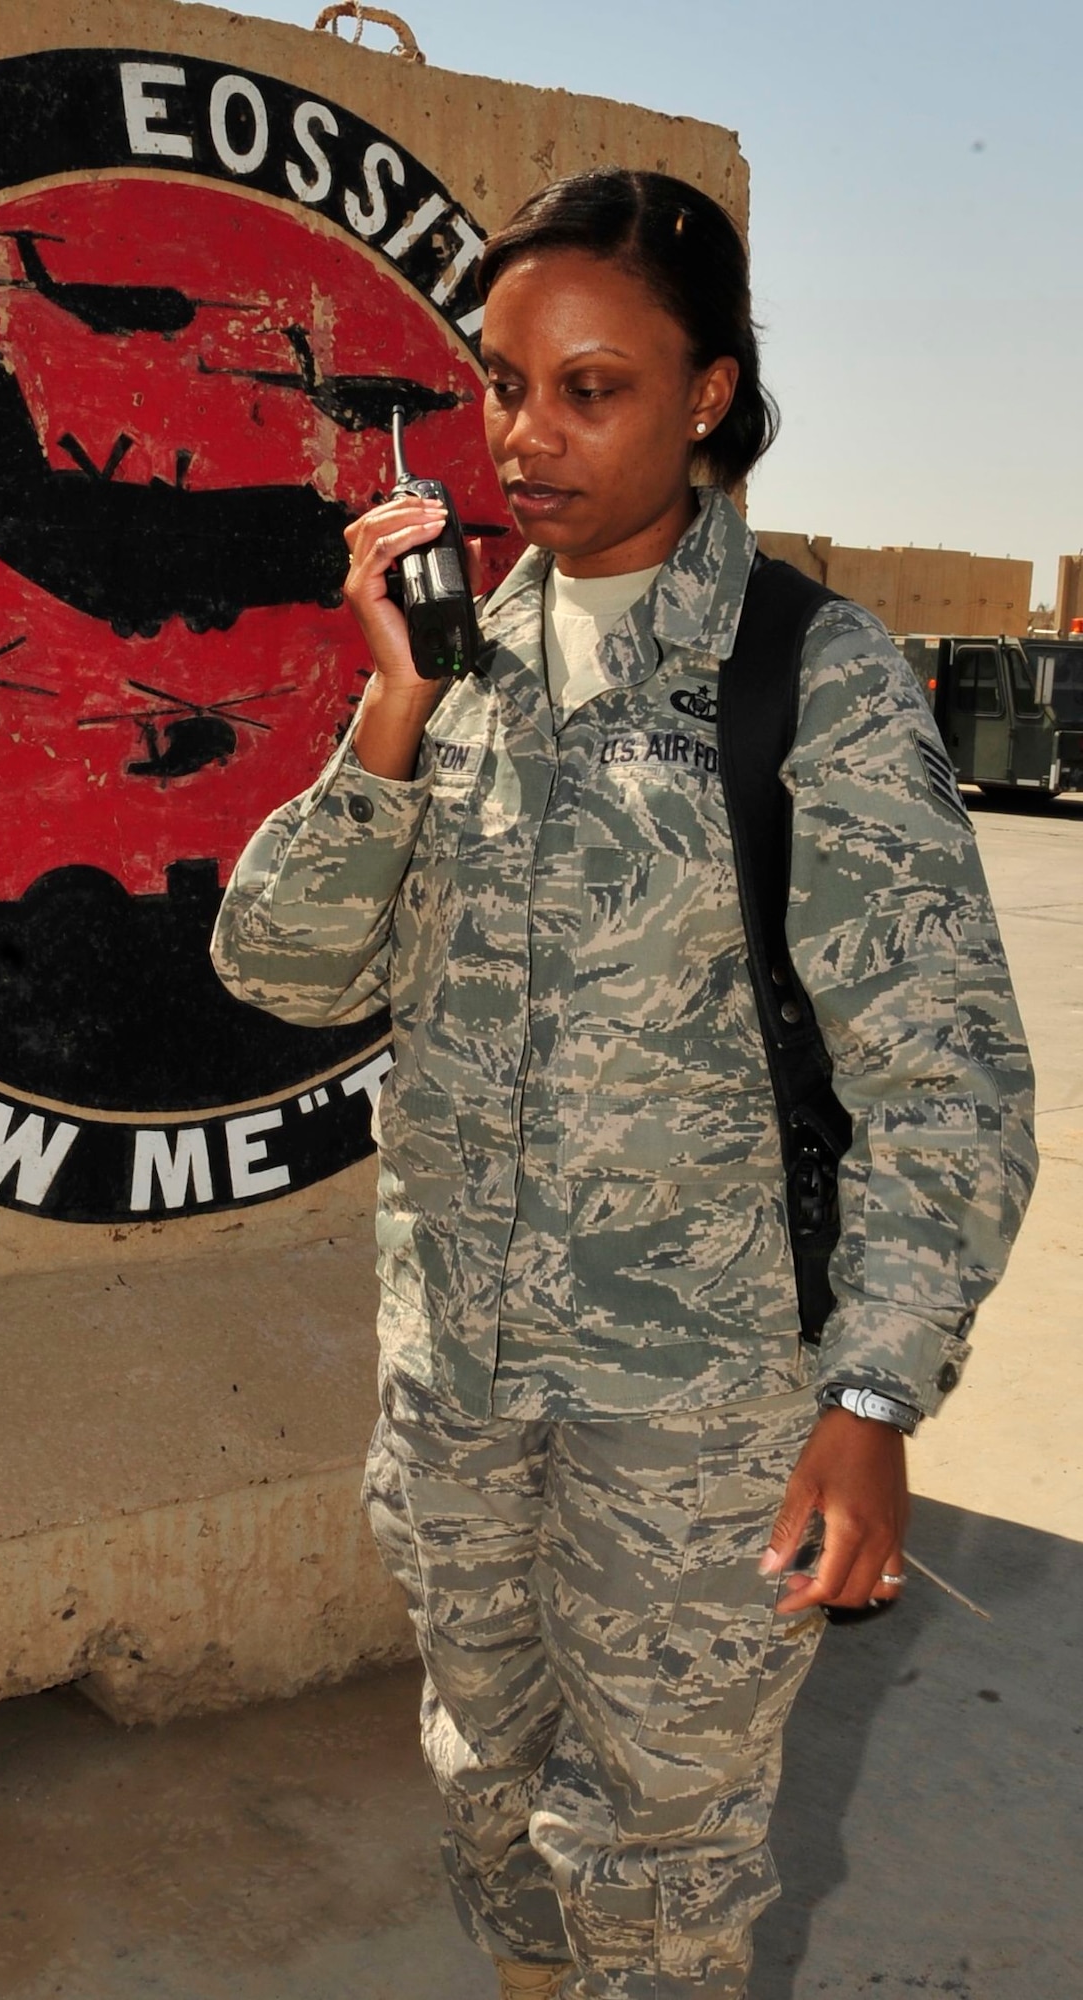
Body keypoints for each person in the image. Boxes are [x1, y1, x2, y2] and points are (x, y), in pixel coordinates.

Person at [211, 169, 1036, 2000]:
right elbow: (276, 968)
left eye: (594, 389)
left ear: (709, 396)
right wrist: (391, 714)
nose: (529, 435)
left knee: (657, 1868)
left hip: (698, 1428)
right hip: (459, 1403)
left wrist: (878, 1398)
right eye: (506, 383)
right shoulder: (460, 667)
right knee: (491, 1801)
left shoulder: (808, 679)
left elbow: (950, 1080)